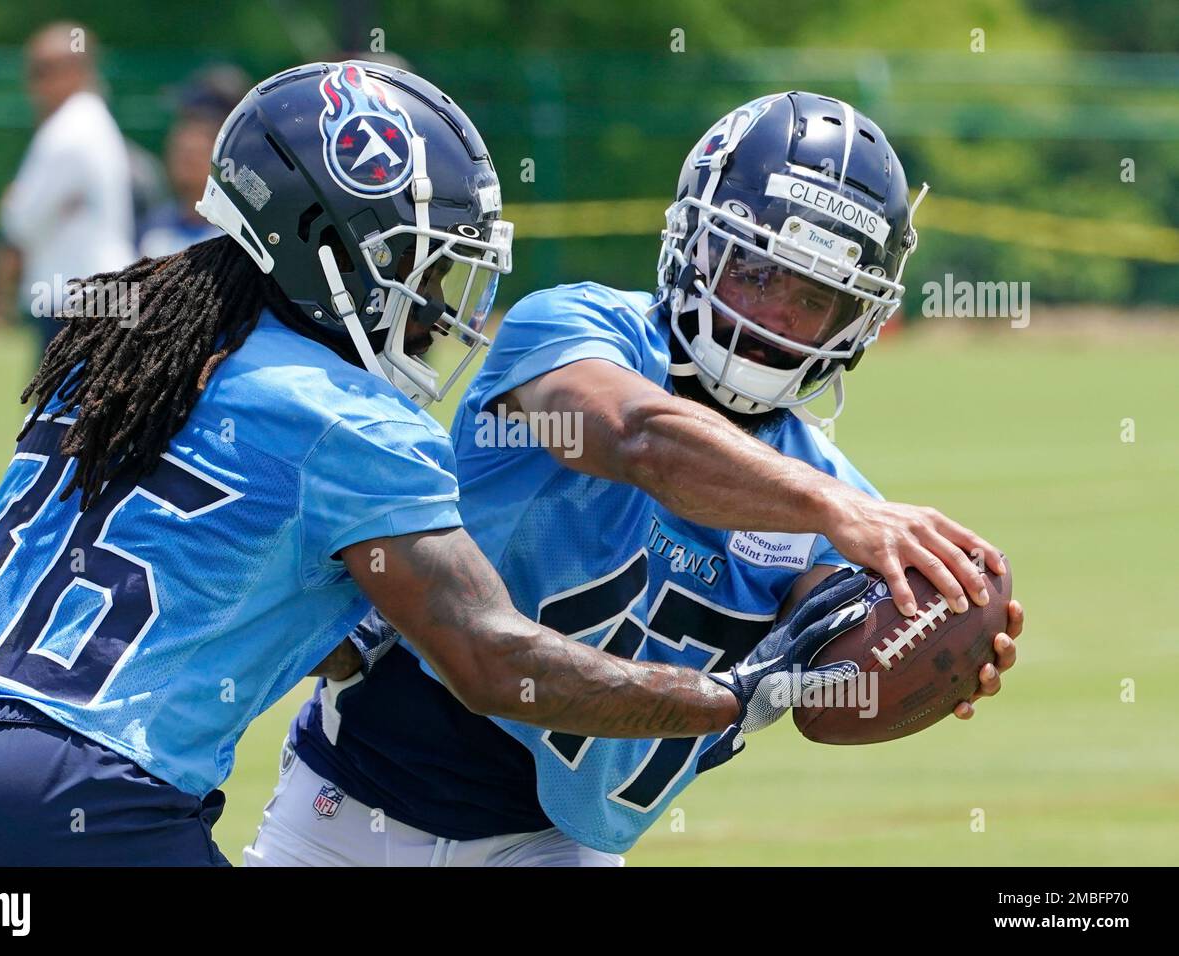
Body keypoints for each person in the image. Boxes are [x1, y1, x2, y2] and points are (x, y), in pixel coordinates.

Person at [0, 65, 851, 866]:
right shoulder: (351, 422)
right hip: (87, 801)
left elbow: (247, 598)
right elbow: (496, 662)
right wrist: (727, 694)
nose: (438, 309)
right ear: (332, 250)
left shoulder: (111, 355)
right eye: (423, 268)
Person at [245, 91, 1023, 867]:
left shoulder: (838, 501)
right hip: (352, 807)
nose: (777, 318)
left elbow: (824, 668)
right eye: (755, 270)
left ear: (854, 319)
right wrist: (834, 507)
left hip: (555, 846)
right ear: (695, 243)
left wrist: (927, 647)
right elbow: (633, 437)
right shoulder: (573, 327)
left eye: (814, 298)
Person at [0, 22, 135, 358]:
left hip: (76, 299)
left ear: (75, 71)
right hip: (103, 293)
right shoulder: (92, 121)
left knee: (58, 409)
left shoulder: (68, 131)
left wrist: (14, 200)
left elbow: (21, 220)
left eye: (42, 71)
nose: (32, 84)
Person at [138, 66, 252, 258]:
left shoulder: (253, 235)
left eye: (206, 134)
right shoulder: (154, 227)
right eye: (186, 126)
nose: (188, 142)